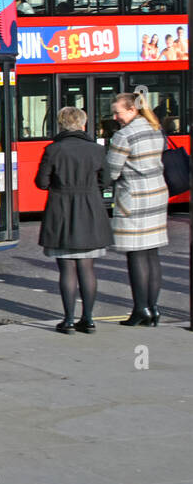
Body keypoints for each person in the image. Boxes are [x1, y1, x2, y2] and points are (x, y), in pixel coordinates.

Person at [35, 106, 111, 333]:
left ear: (60, 124)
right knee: (87, 268)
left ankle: (68, 320)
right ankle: (88, 319)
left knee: (67, 270)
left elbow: (41, 182)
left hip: (61, 211)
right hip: (90, 211)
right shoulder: (96, 150)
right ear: (83, 124)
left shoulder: (53, 150)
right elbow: (106, 180)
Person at [105, 92, 168, 326]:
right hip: (157, 195)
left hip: (134, 197)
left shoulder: (124, 135)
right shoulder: (155, 128)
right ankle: (153, 308)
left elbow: (112, 171)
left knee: (136, 254)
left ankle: (140, 309)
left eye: (118, 112)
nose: (115, 116)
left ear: (132, 110)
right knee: (152, 253)